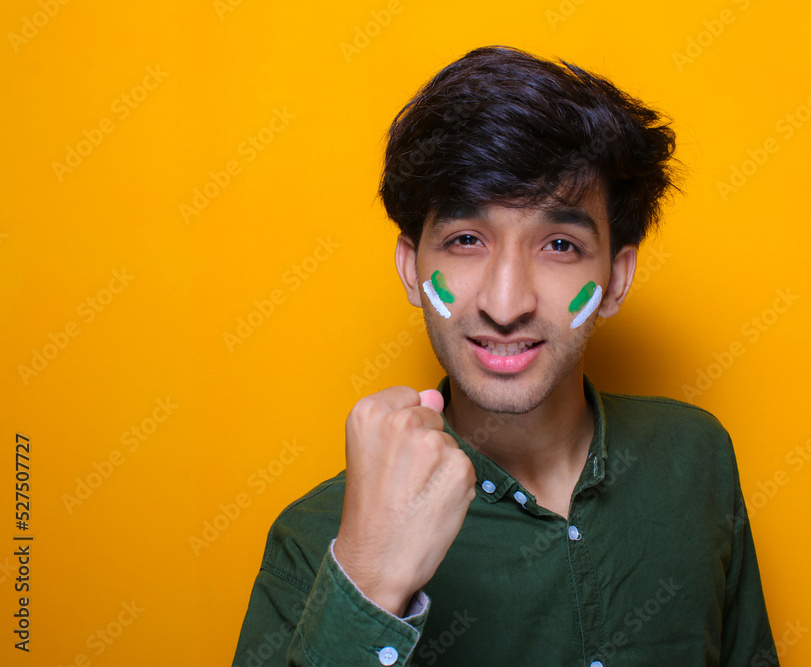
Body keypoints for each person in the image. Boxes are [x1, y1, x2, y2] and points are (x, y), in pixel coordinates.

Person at [233, 45, 778, 667]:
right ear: (411, 269)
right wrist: (368, 584)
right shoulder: (315, 542)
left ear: (616, 280)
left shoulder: (696, 458)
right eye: (466, 240)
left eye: (559, 245)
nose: (506, 303)